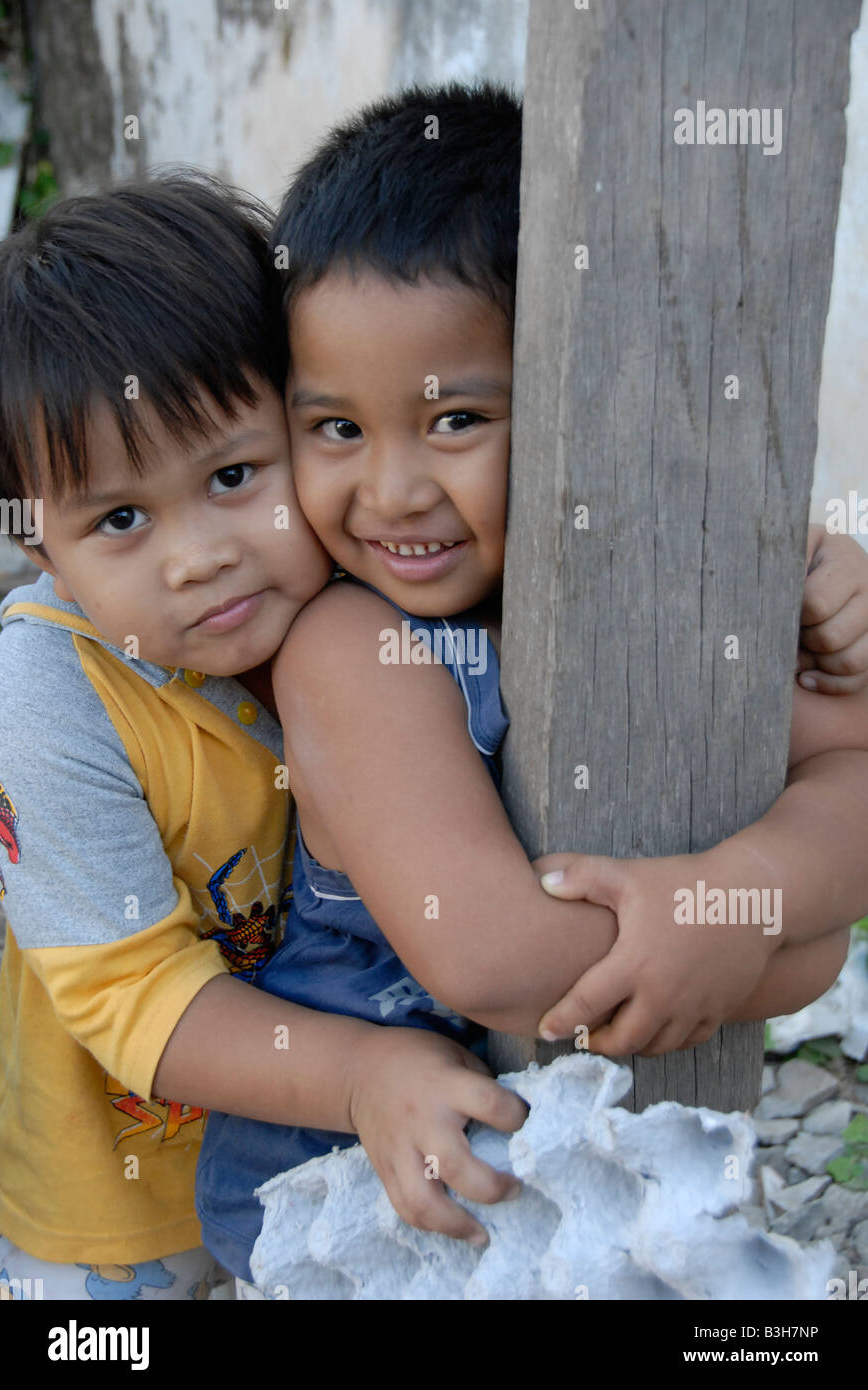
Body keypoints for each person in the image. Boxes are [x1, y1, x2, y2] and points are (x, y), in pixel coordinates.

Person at [194, 83, 868, 1292]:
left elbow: (857, 767)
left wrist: (740, 889)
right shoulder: (350, 647)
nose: (391, 490)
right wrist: (774, 934)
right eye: (334, 429)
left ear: (578, 407)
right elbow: (493, 958)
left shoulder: (648, 603)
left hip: (563, 1192)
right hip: (361, 1203)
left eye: (457, 417)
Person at [0, 173, 528, 1301]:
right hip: (116, 1202)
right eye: (121, 520)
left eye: (236, 476)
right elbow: (130, 991)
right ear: (42, 547)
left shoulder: (352, 567)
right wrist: (365, 1072)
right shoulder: (47, 695)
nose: (199, 558)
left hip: (315, 1157)